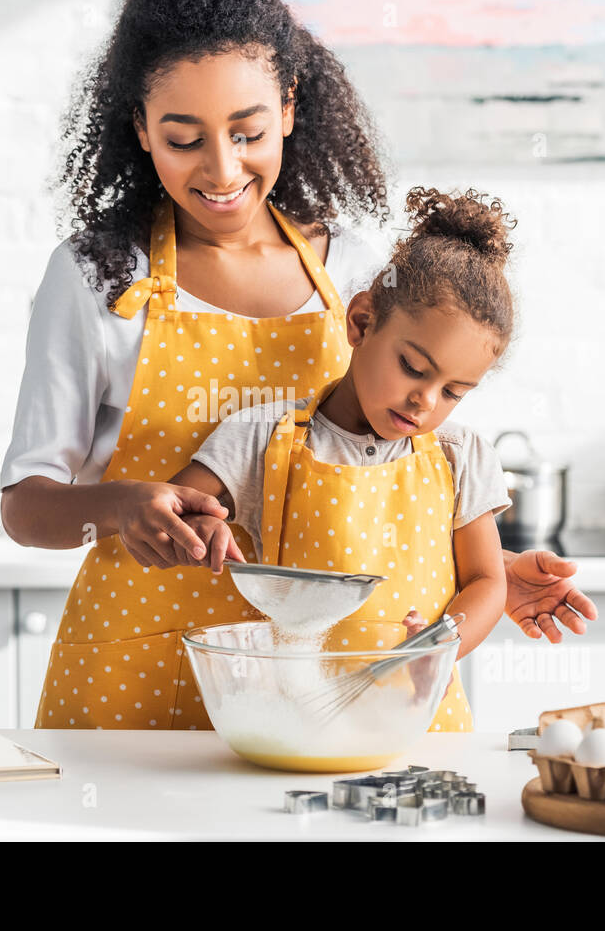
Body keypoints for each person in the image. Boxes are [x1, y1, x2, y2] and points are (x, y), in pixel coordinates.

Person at [0, 0, 596, 730]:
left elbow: (390, 477)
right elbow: (26, 510)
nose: (221, 170)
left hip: (321, 688)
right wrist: (121, 507)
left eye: (247, 132)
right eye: (184, 139)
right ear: (142, 128)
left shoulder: (349, 268)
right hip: (137, 677)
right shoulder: (98, 278)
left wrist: (484, 580)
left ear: (287, 109)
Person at [168, 186, 516, 730]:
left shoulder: (461, 455)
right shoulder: (263, 437)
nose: (425, 401)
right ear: (360, 323)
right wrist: (195, 529)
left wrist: (436, 647)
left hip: (420, 718)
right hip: (299, 717)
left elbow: (487, 581)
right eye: (413, 367)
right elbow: (173, 510)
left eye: (454, 392)